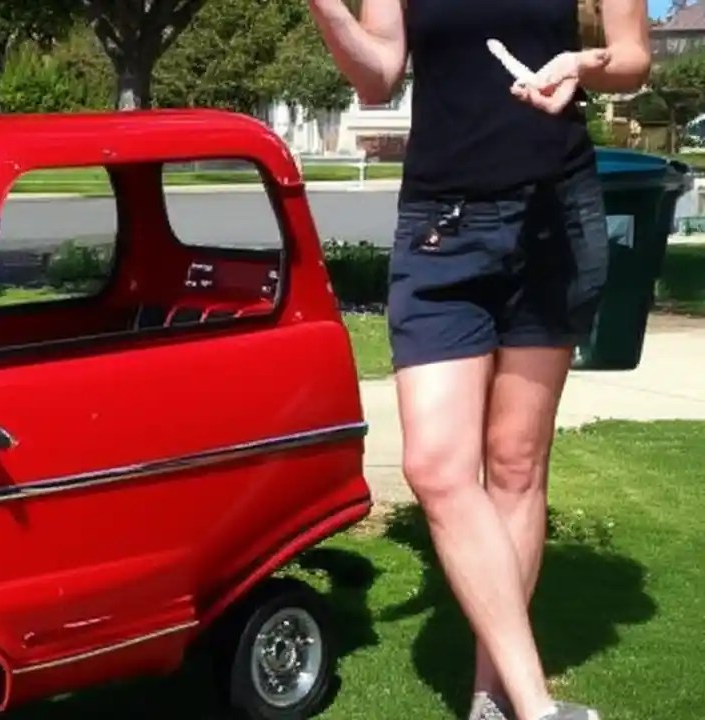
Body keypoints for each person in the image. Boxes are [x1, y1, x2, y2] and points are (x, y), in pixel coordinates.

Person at [304, 1, 650, 719]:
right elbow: (377, 77)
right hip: (441, 226)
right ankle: (538, 708)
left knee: (517, 465)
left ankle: (497, 697)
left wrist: (582, 66)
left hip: (555, 213)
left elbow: (632, 57)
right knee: (436, 465)